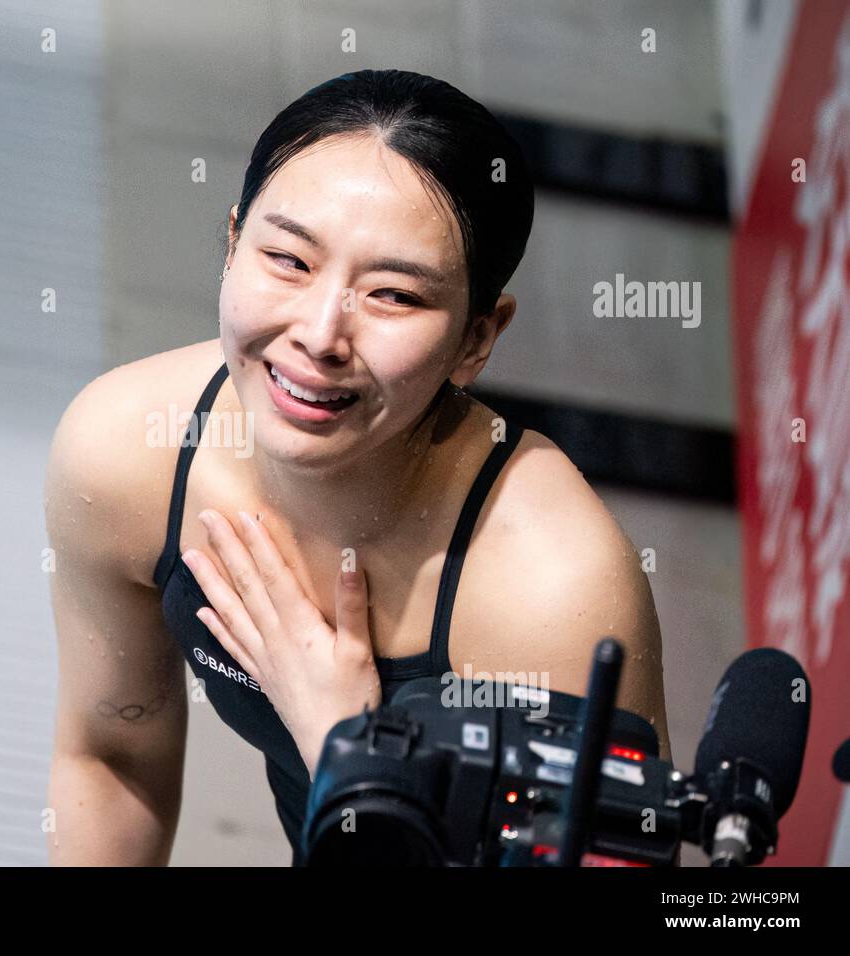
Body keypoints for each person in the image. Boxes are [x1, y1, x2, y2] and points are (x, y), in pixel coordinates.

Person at [44, 69, 672, 865]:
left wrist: (349, 747)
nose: (320, 335)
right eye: (287, 260)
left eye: (394, 297)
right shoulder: (131, 453)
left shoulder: (550, 590)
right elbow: (111, 758)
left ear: (479, 338)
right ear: (233, 243)